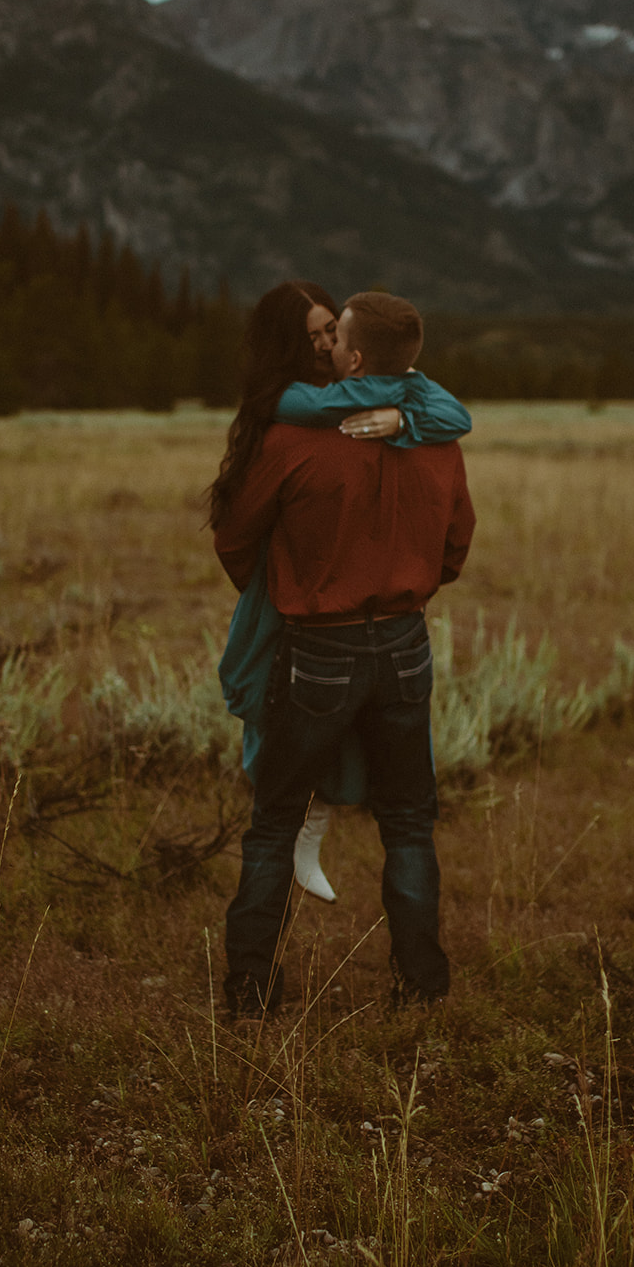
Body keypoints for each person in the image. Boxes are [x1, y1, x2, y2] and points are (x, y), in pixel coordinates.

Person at [212, 291, 475, 1017]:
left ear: (352, 357)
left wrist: (294, 582)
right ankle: (420, 985)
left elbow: (235, 537)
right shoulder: (435, 439)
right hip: (402, 641)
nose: (325, 348)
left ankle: (251, 990)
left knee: (273, 822)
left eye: (335, 339)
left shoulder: (290, 439)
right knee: (408, 824)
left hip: (315, 648)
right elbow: (455, 545)